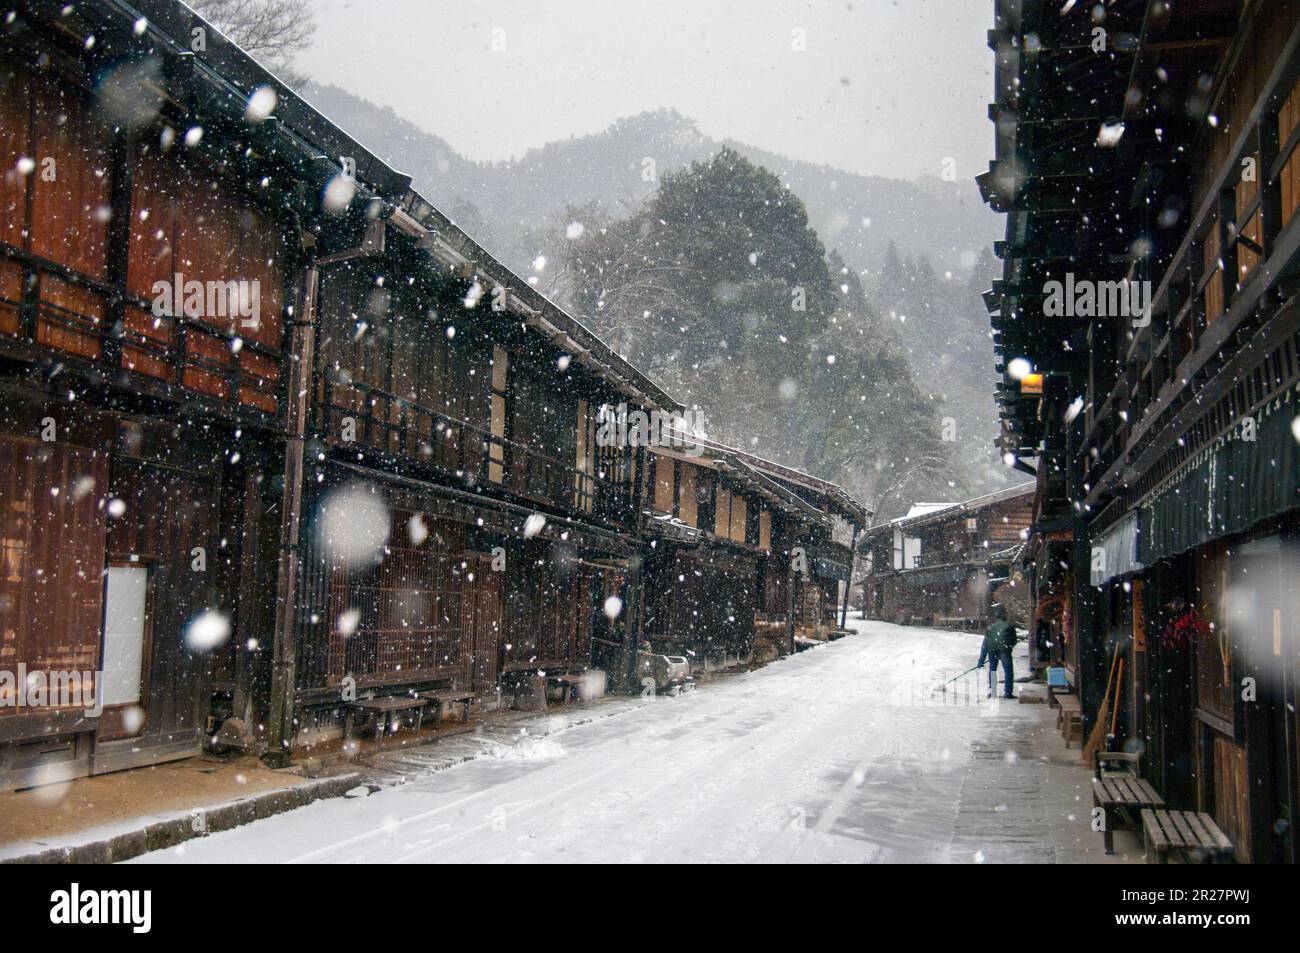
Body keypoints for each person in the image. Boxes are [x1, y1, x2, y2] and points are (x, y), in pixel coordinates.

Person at [977, 605, 1017, 699]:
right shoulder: (1009, 626)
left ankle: (993, 692)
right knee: (1008, 671)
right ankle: (1008, 692)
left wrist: (981, 660)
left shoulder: (990, 628)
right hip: (1004, 650)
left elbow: (985, 645)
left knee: (993, 670)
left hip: (992, 650)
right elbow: (1014, 640)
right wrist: (1008, 648)